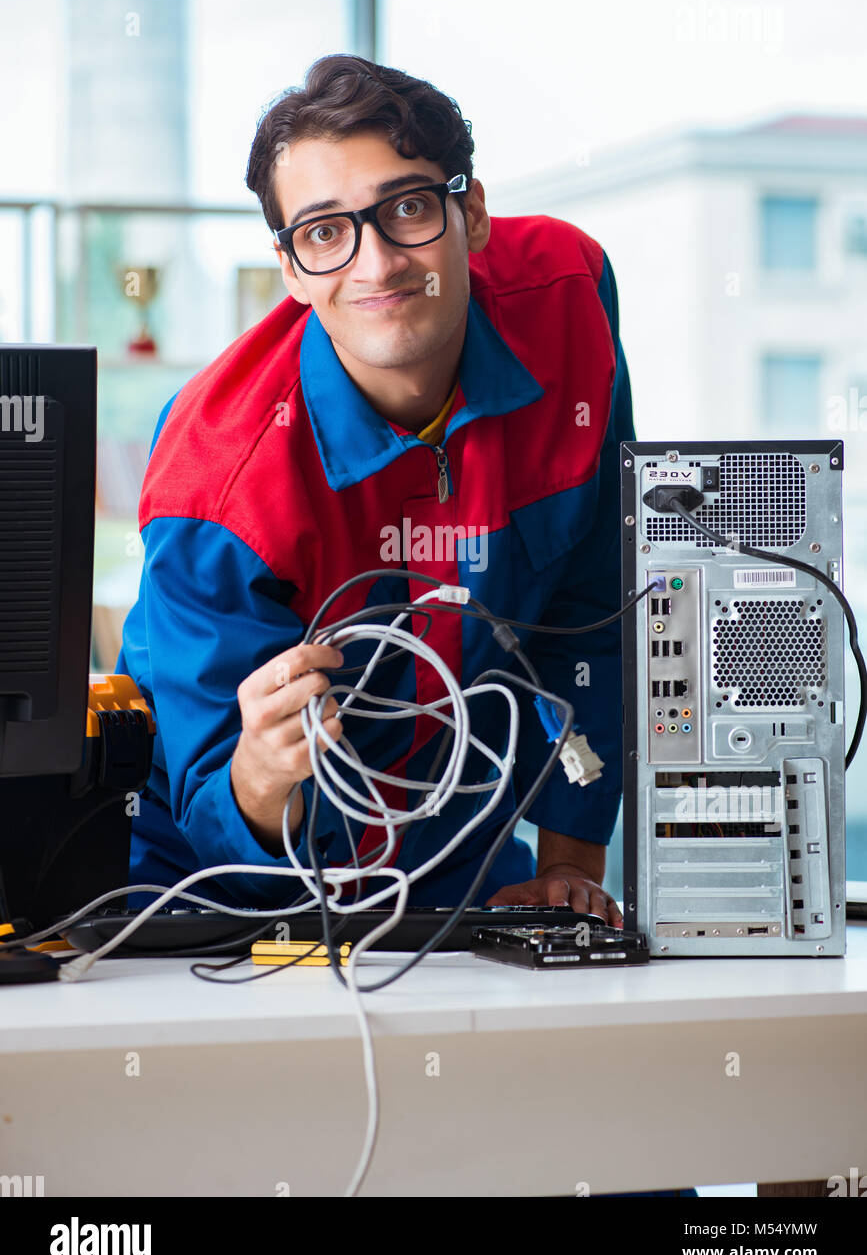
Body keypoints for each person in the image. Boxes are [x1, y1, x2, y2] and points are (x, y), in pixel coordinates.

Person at [116, 53, 634, 926]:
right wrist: (263, 773)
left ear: (469, 212)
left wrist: (568, 867)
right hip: (215, 893)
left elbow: (592, 605)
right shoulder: (216, 477)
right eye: (323, 232)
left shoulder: (568, 296)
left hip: (458, 866)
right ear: (289, 268)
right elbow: (214, 815)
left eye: (405, 209)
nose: (377, 265)